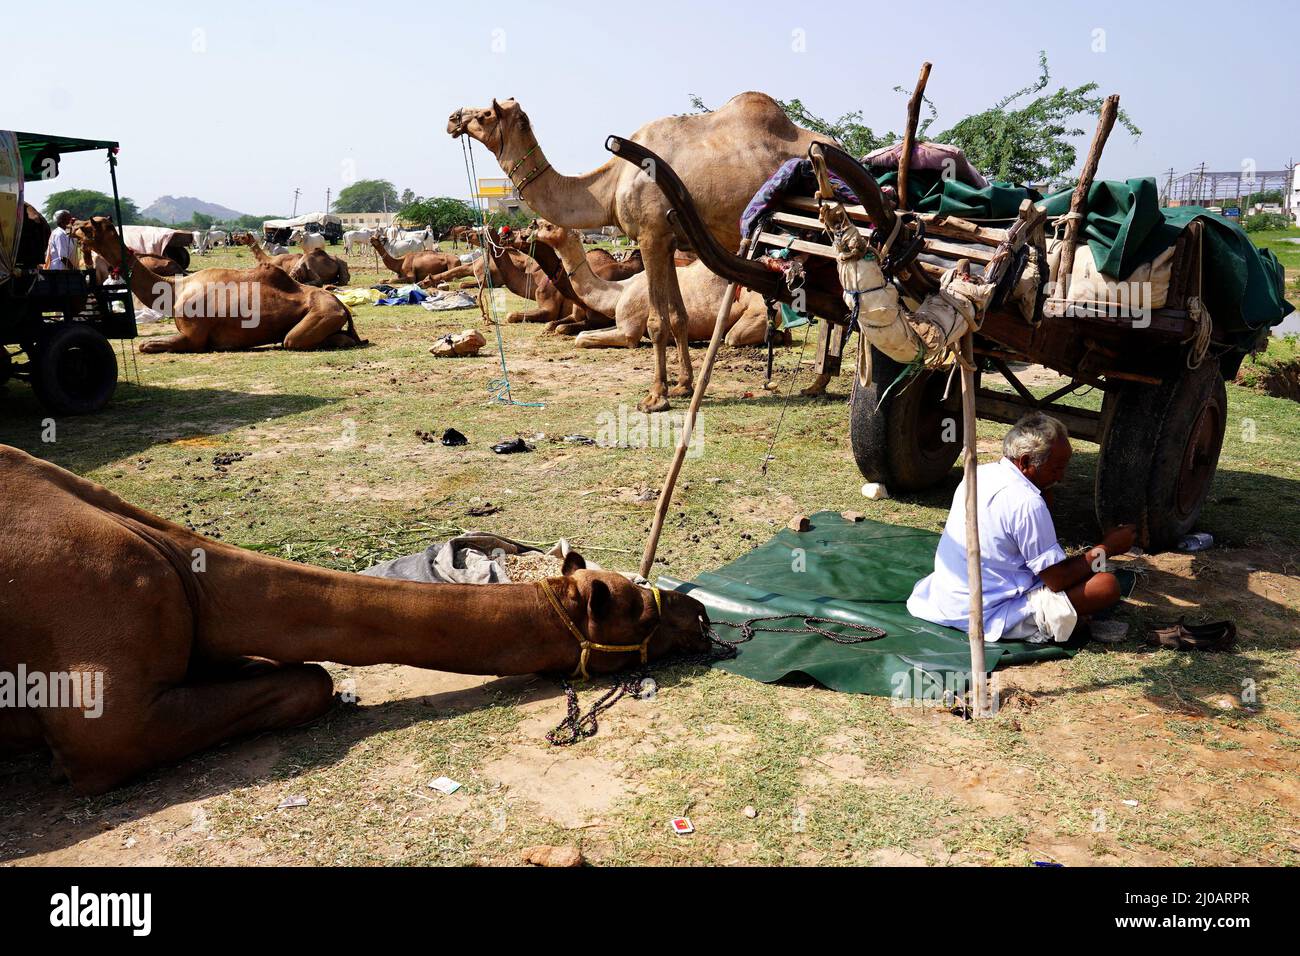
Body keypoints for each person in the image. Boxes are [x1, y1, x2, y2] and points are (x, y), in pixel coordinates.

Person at [907, 412, 1134, 644]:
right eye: (1056, 469)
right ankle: (1050, 624)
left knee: (1085, 570)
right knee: (1106, 586)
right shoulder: (1027, 502)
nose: (1061, 476)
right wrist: (1107, 548)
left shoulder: (978, 473)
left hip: (946, 601)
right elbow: (1057, 579)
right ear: (1025, 462)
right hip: (986, 614)